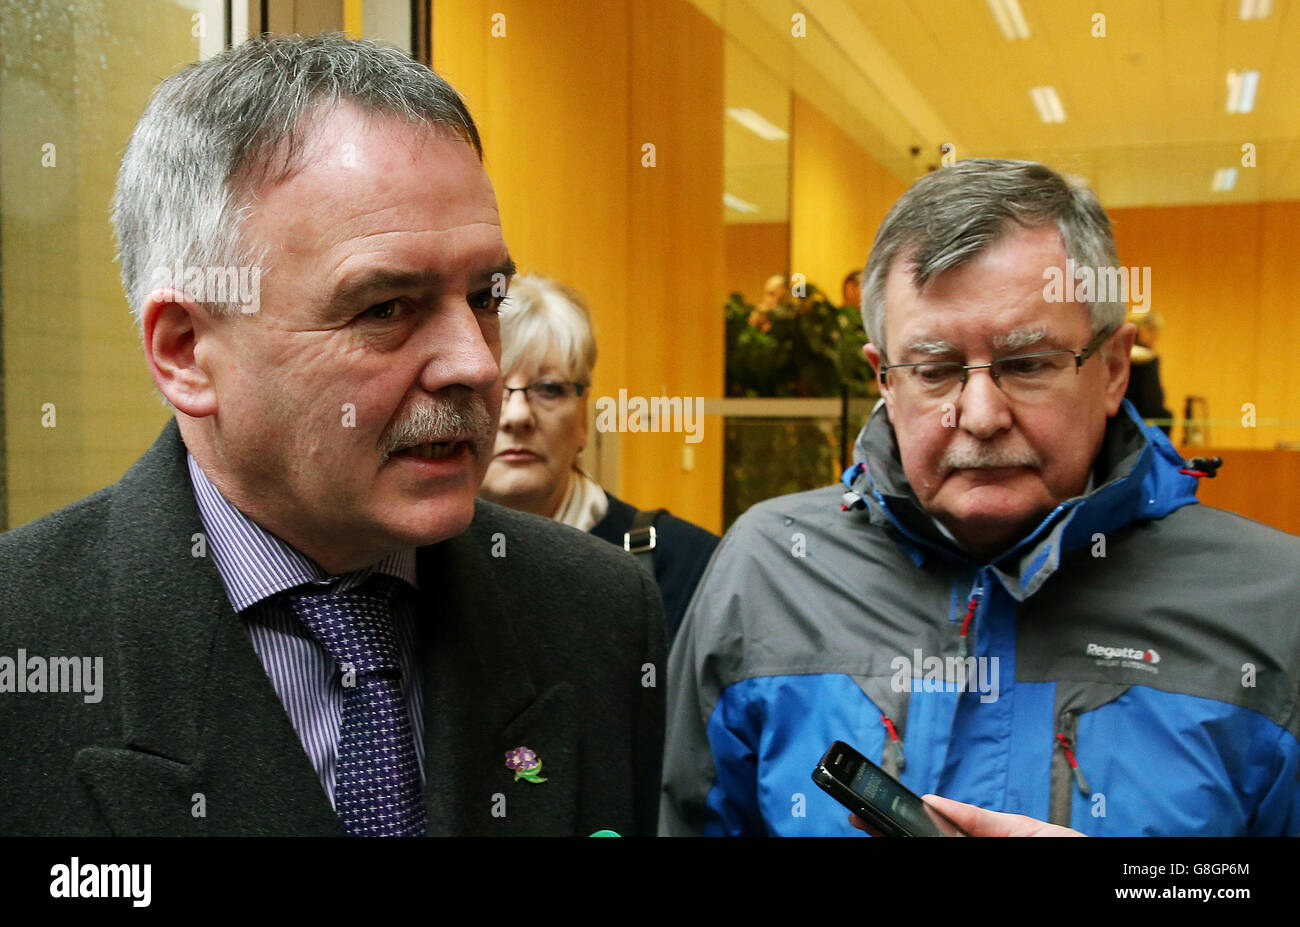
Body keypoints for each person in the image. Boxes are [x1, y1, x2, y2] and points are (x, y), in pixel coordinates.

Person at [0, 34, 664, 837]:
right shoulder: (26, 645)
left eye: (485, 297)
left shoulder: (598, 615)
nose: (477, 364)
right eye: (384, 308)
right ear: (186, 351)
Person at [661, 158, 1300, 837]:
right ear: (884, 380)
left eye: (1026, 365)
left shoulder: (1272, 602)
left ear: (1114, 369)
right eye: (934, 370)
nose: (981, 414)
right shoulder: (767, 571)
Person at [478, 274, 718, 643]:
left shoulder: (686, 567)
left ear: (583, 419)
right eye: (495, 387)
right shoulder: (407, 563)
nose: (518, 416)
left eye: (549, 389)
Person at [1124, 310, 1172, 434]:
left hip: (1120, 415)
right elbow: (1151, 398)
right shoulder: (1147, 358)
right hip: (1139, 420)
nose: (1156, 338)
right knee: (1166, 416)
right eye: (1154, 332)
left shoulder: (1118, 351)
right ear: (1143, 331)